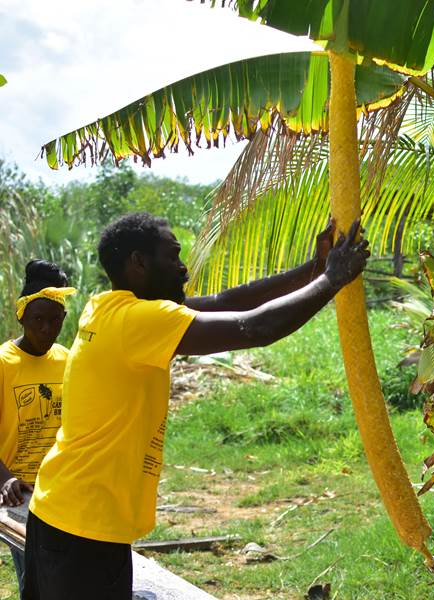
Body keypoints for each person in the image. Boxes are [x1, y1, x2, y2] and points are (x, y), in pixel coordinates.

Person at [22, 212, 369, 599]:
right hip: (83, 529)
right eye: (172, 256)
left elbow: (226, 302)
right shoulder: (139, 319)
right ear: (138, 263)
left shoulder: (105, 306)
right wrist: (331, 279)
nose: (183, 268)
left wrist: (315, 267)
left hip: (62, 514)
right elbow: (255, 327)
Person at [0, 260, 75, 594]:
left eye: (54, 320)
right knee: (34, 578)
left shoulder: (67, 359)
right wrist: (5, 479)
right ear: (22, 318)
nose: (46, 329)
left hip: (59, 488)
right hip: (18, 493)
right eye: (37, 321)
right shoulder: (4, 364)